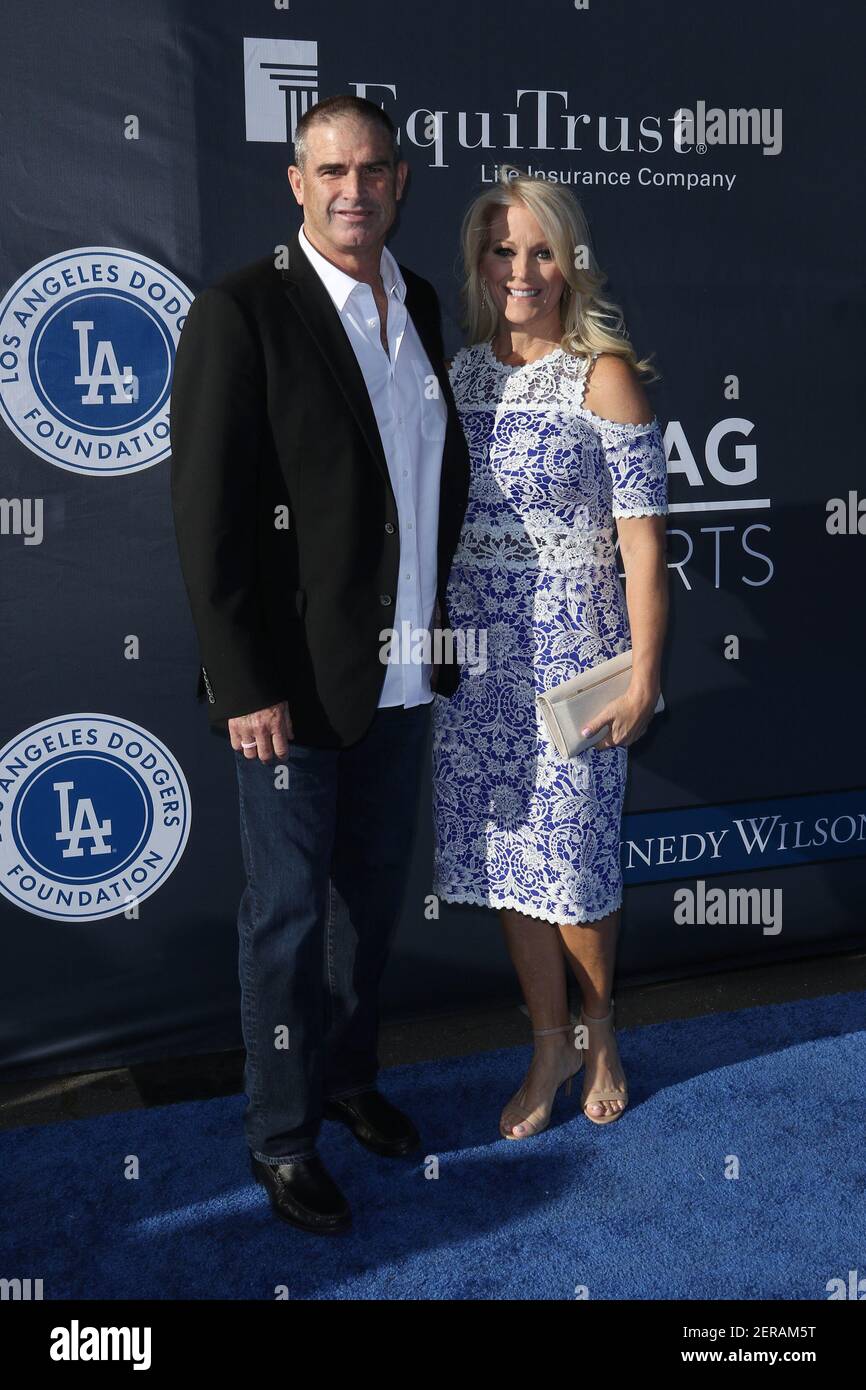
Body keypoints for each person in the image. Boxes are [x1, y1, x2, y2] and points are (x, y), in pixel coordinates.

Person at [170, 95, 470, 1233]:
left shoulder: (420, 301)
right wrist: (241, 681)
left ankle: (348, 1083)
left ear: (400, 181)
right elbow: (209, 518)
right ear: (296, 184)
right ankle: (282, 1134)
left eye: (373, 169)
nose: (354, 189)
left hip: (401, 676)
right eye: (328, 169)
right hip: (287, 692)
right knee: (287, 918)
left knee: (365, 909)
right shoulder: (241, 312)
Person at [431, 165, 669, 1139]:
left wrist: (645, 672)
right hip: (476, 659)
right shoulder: (457, 372)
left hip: (578, 657)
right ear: (479, 263)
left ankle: (600, 1034)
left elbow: (642, 540)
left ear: (567, 262)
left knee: (569, 866)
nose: (519, 268)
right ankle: (545, 1045)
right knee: (506, 868)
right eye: (502, 249)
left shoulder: (601, 375)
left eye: (538, 249)